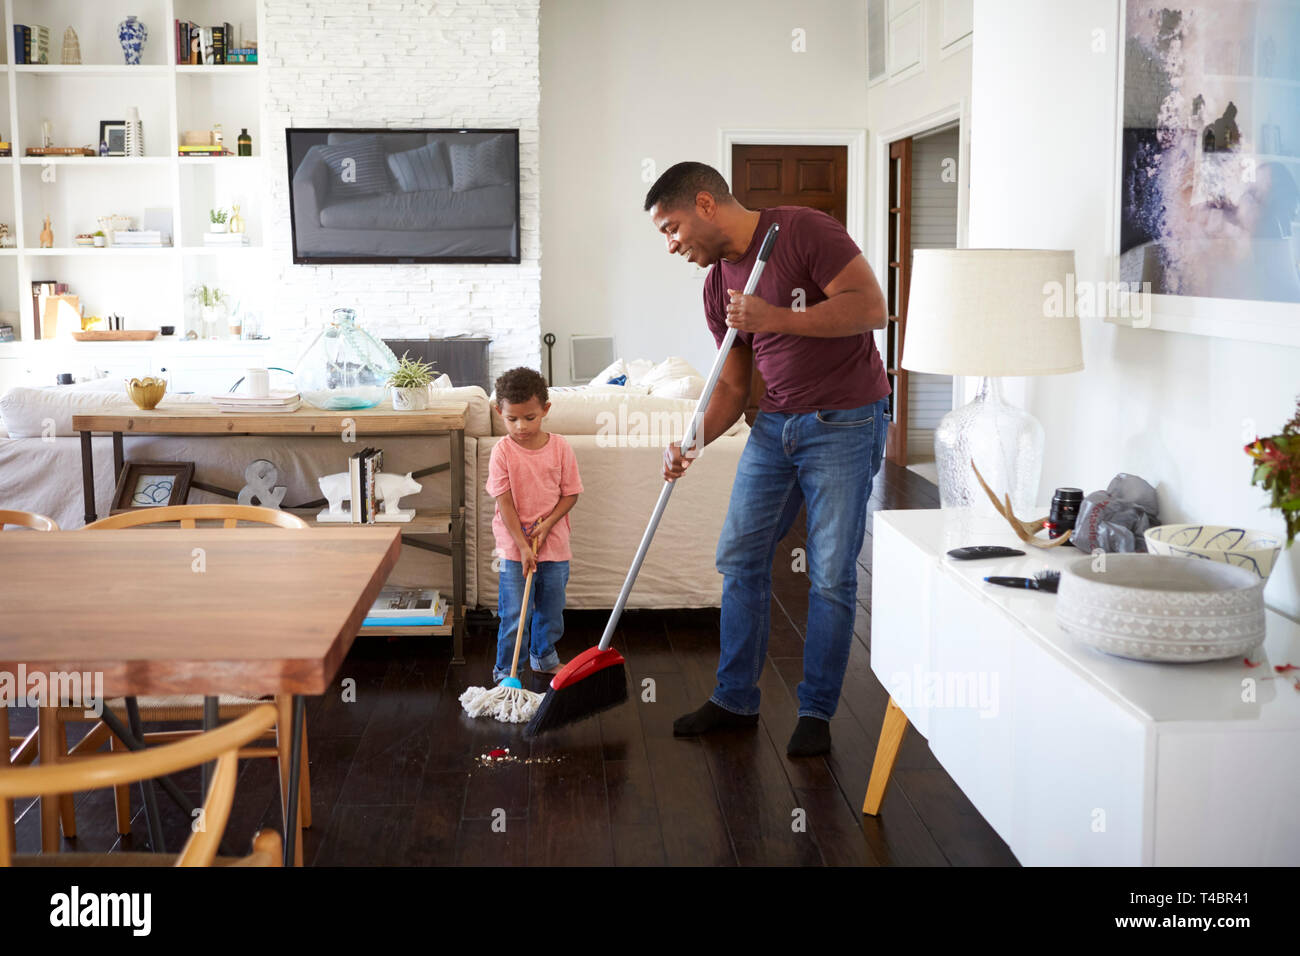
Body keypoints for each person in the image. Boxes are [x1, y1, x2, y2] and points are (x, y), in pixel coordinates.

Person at [644, 161, 891, 756]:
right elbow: (731, 388)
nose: (672, 245)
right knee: (740, 557)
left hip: (846, 422)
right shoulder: (714, 288)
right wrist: (692, 442)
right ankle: (734, 699)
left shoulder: (805, 231)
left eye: (672, 228)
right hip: (773, 426)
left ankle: (816, 711)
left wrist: (776, 316)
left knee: (831, 574)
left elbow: (870, 307)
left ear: (705, 205)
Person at [486, 367, 583, 683]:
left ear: (545, 409)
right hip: (514, 546)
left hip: (554, 544)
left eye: (529, 417)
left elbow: (570, 495)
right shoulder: (502, 452)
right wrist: (524, 546)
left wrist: (549, 523)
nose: (520, 426)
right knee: (515, 613)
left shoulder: (560, 448)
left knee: (551, 609)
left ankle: (543, 657)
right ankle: (507, 671)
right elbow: (505, 504)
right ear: (499, 411)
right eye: (511, 419)